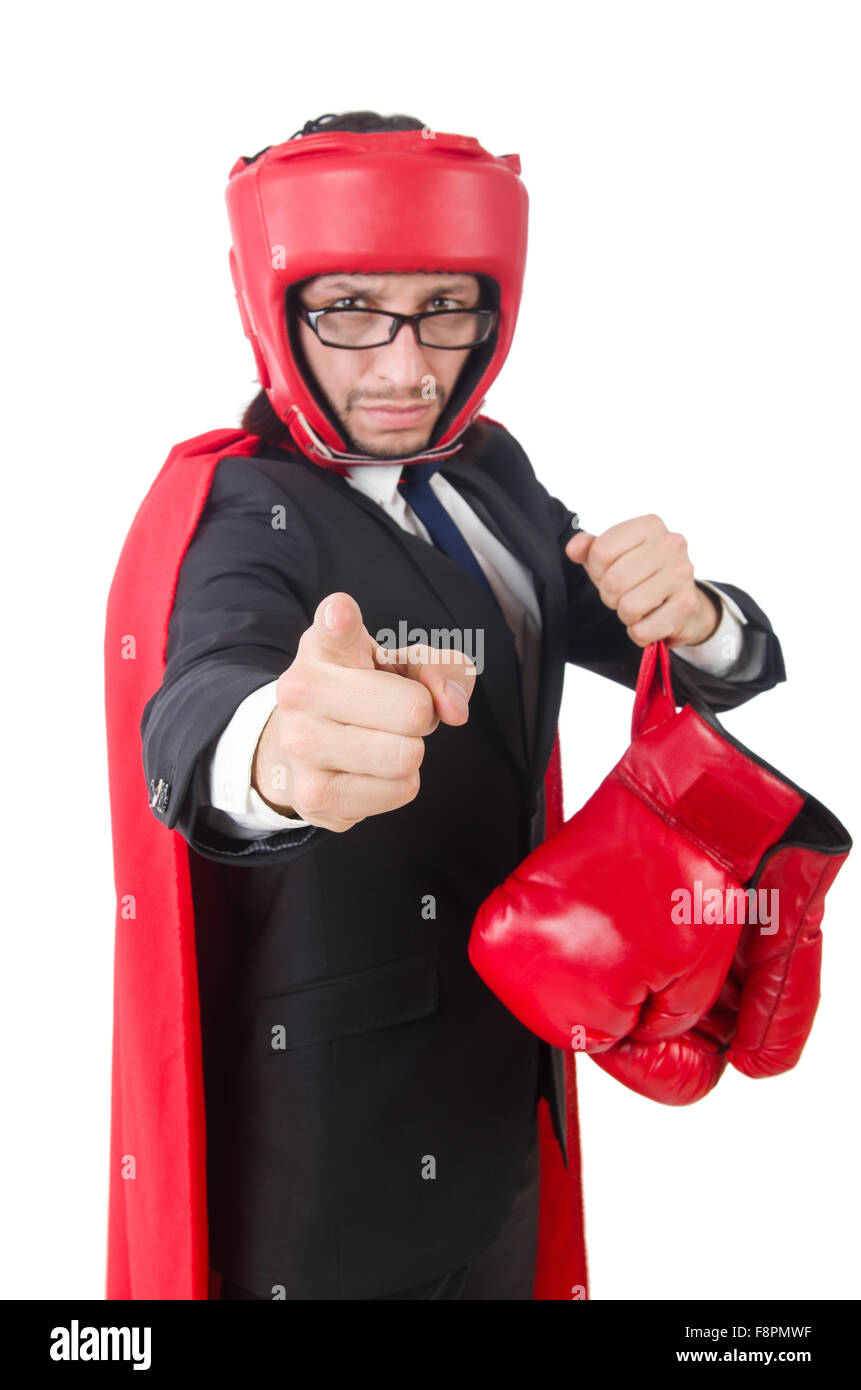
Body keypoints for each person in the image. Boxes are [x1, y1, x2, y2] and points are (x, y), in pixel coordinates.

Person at [110, 110, 786, 1301]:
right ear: (280, 312)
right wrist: (272, 753)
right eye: (354, 312)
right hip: (335, 1155)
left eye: (444, 309)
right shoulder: (237, 515)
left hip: (509, 1103)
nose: (405, 366)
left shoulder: (495, 474)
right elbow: (200, 703)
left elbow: (658, 652)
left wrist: (691, 613)